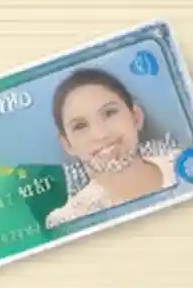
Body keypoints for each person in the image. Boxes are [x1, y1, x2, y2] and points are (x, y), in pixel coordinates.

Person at [45, 68, 179, 229]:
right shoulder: (68, 223)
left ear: (136, 117)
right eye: (80, 126)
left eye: (109, 113)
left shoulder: (186, 168)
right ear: (68, 145)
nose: (100, 134)